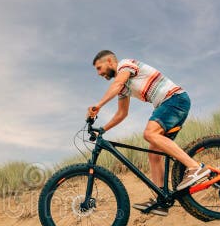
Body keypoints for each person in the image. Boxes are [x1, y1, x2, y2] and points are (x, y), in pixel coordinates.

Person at [87, 50, 210, 216]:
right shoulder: (124, 88)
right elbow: (121, 114)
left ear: (110, 61)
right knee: (153, 154)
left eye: (99, 68)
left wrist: (99, 105)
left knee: (150, 134)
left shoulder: (126, 64)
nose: (99, 73)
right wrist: (103, 129)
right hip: (165, 105)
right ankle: (161, 199)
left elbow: (116, 85)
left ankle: (196, 168)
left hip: (174, 99)